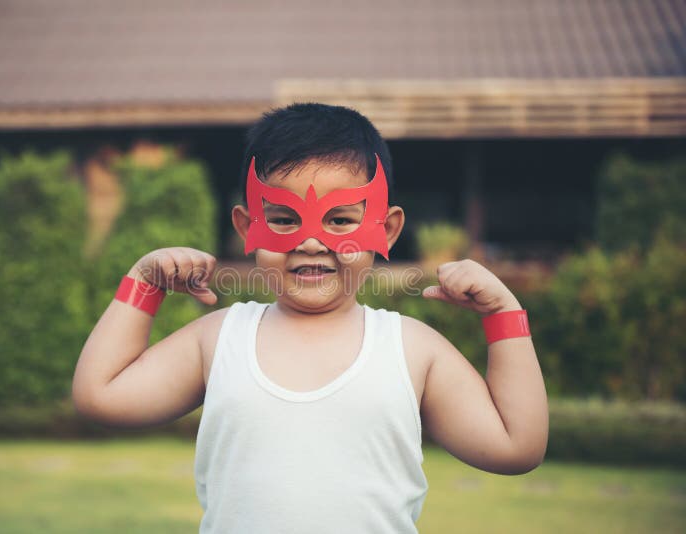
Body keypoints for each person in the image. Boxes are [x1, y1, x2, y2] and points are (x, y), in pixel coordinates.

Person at [72, 102, 549, 533]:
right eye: (283, 219)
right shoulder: (220, 340)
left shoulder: (411, 349)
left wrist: (503, 315)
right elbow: (101, 396)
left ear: (387, 229)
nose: (311, 242)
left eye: (341, 220)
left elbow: (515, 447)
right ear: (246, 227)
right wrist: (144, 285)